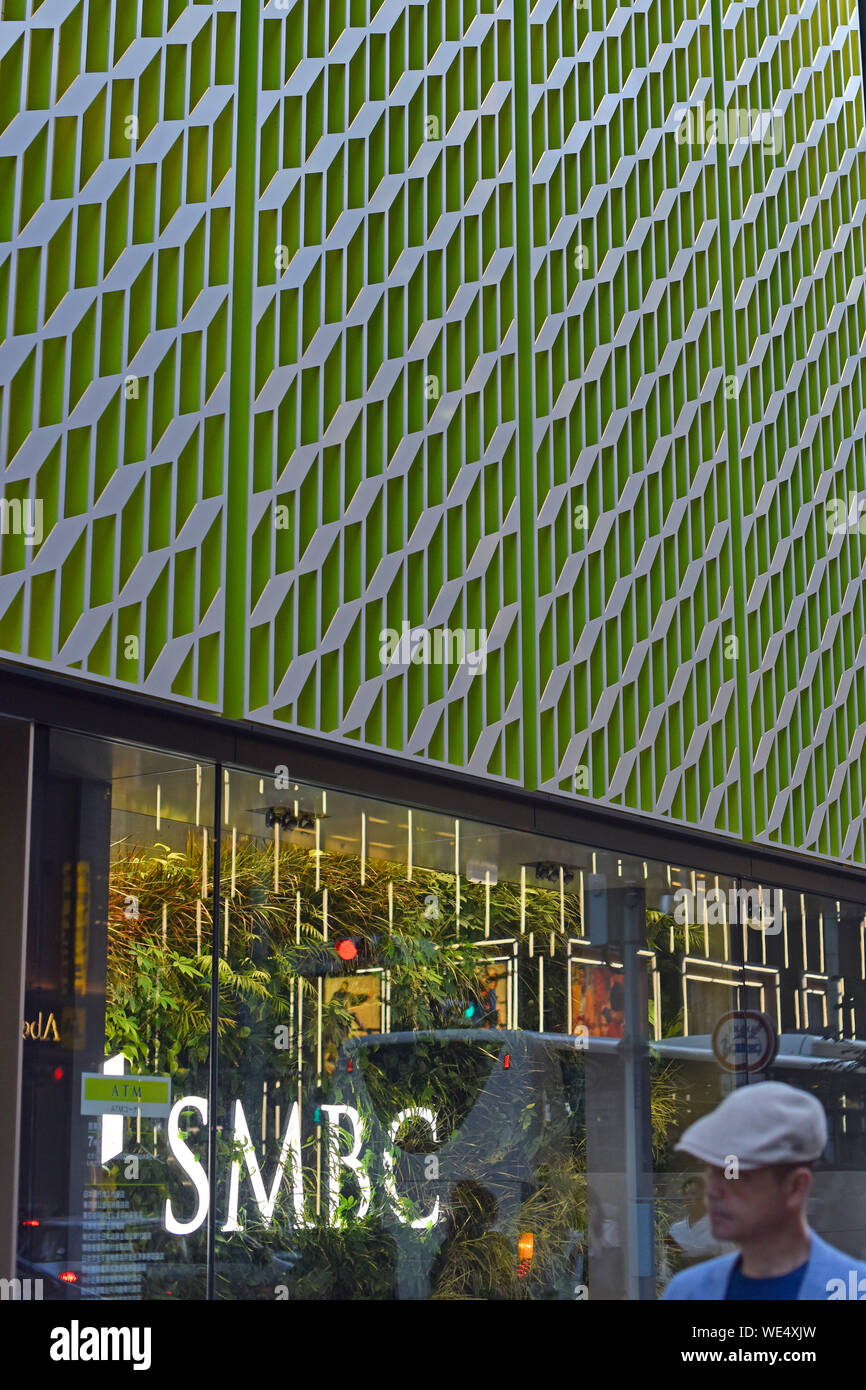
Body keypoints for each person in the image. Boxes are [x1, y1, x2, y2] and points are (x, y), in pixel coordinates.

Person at [662, 1081, 866, 1300]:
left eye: (738, 1176)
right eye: (712, 1171)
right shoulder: (685, 1292)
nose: (713, 1191)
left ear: (796, 1187)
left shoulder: (855, 1291)